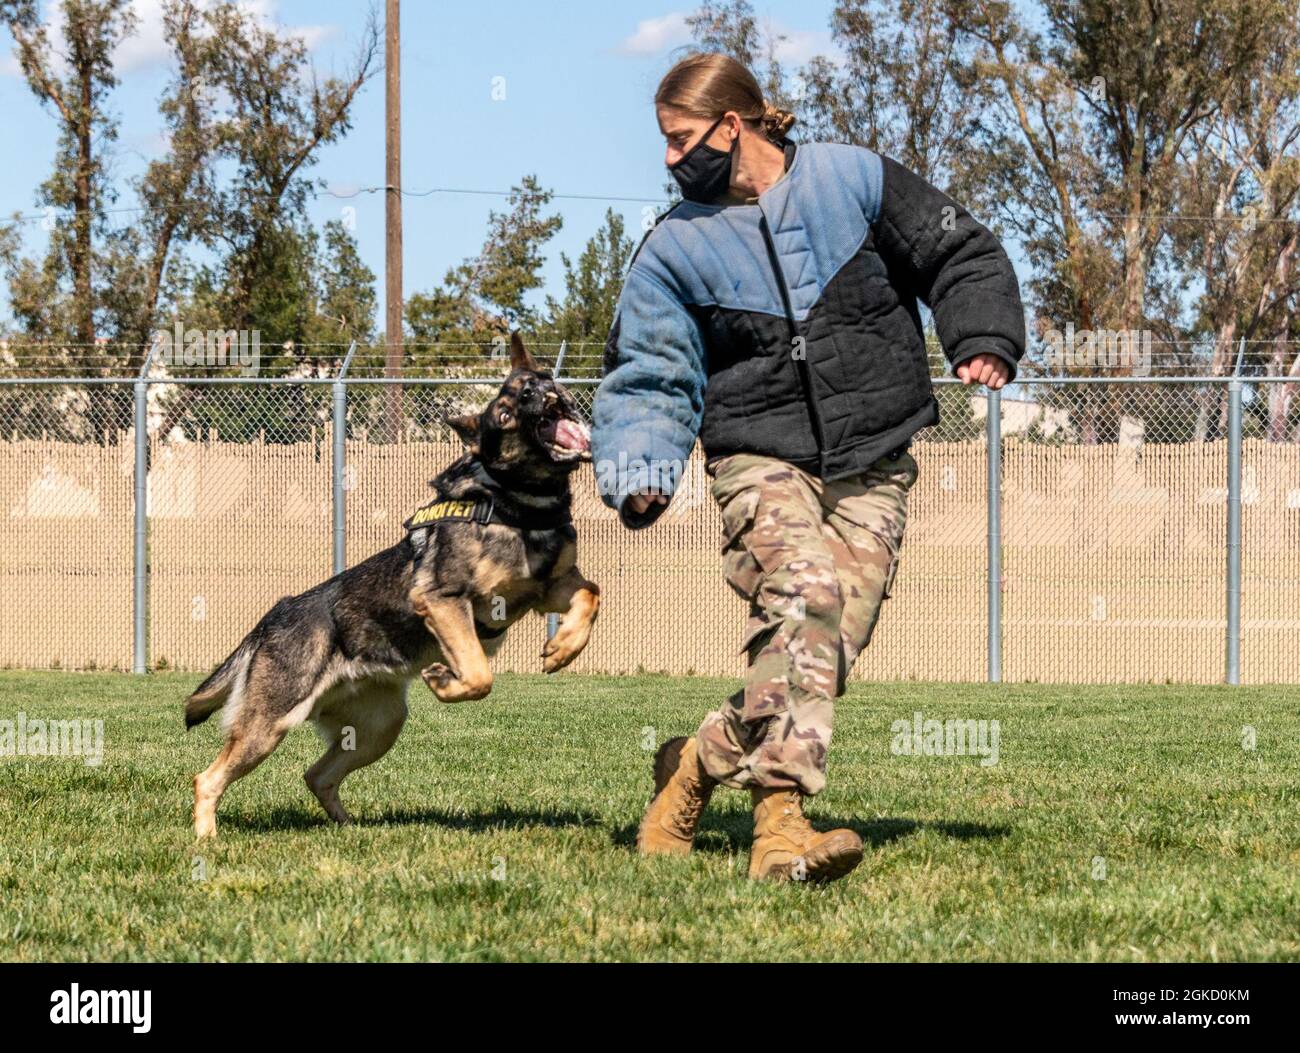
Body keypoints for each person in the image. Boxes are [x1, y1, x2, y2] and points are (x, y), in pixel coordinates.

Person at [592, 52, 1024, 883]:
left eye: (682, 141)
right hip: (760, 457)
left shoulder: (852, 182)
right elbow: (648, 370)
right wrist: (642, 467)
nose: (671, 160)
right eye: (665, 145)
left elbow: (957, 251)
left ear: (733, 125)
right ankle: (780, 828)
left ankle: (692, 769)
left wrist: (983, 337)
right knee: (809, 599)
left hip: (874, 455)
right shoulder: (671, 252)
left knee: (817, 647)